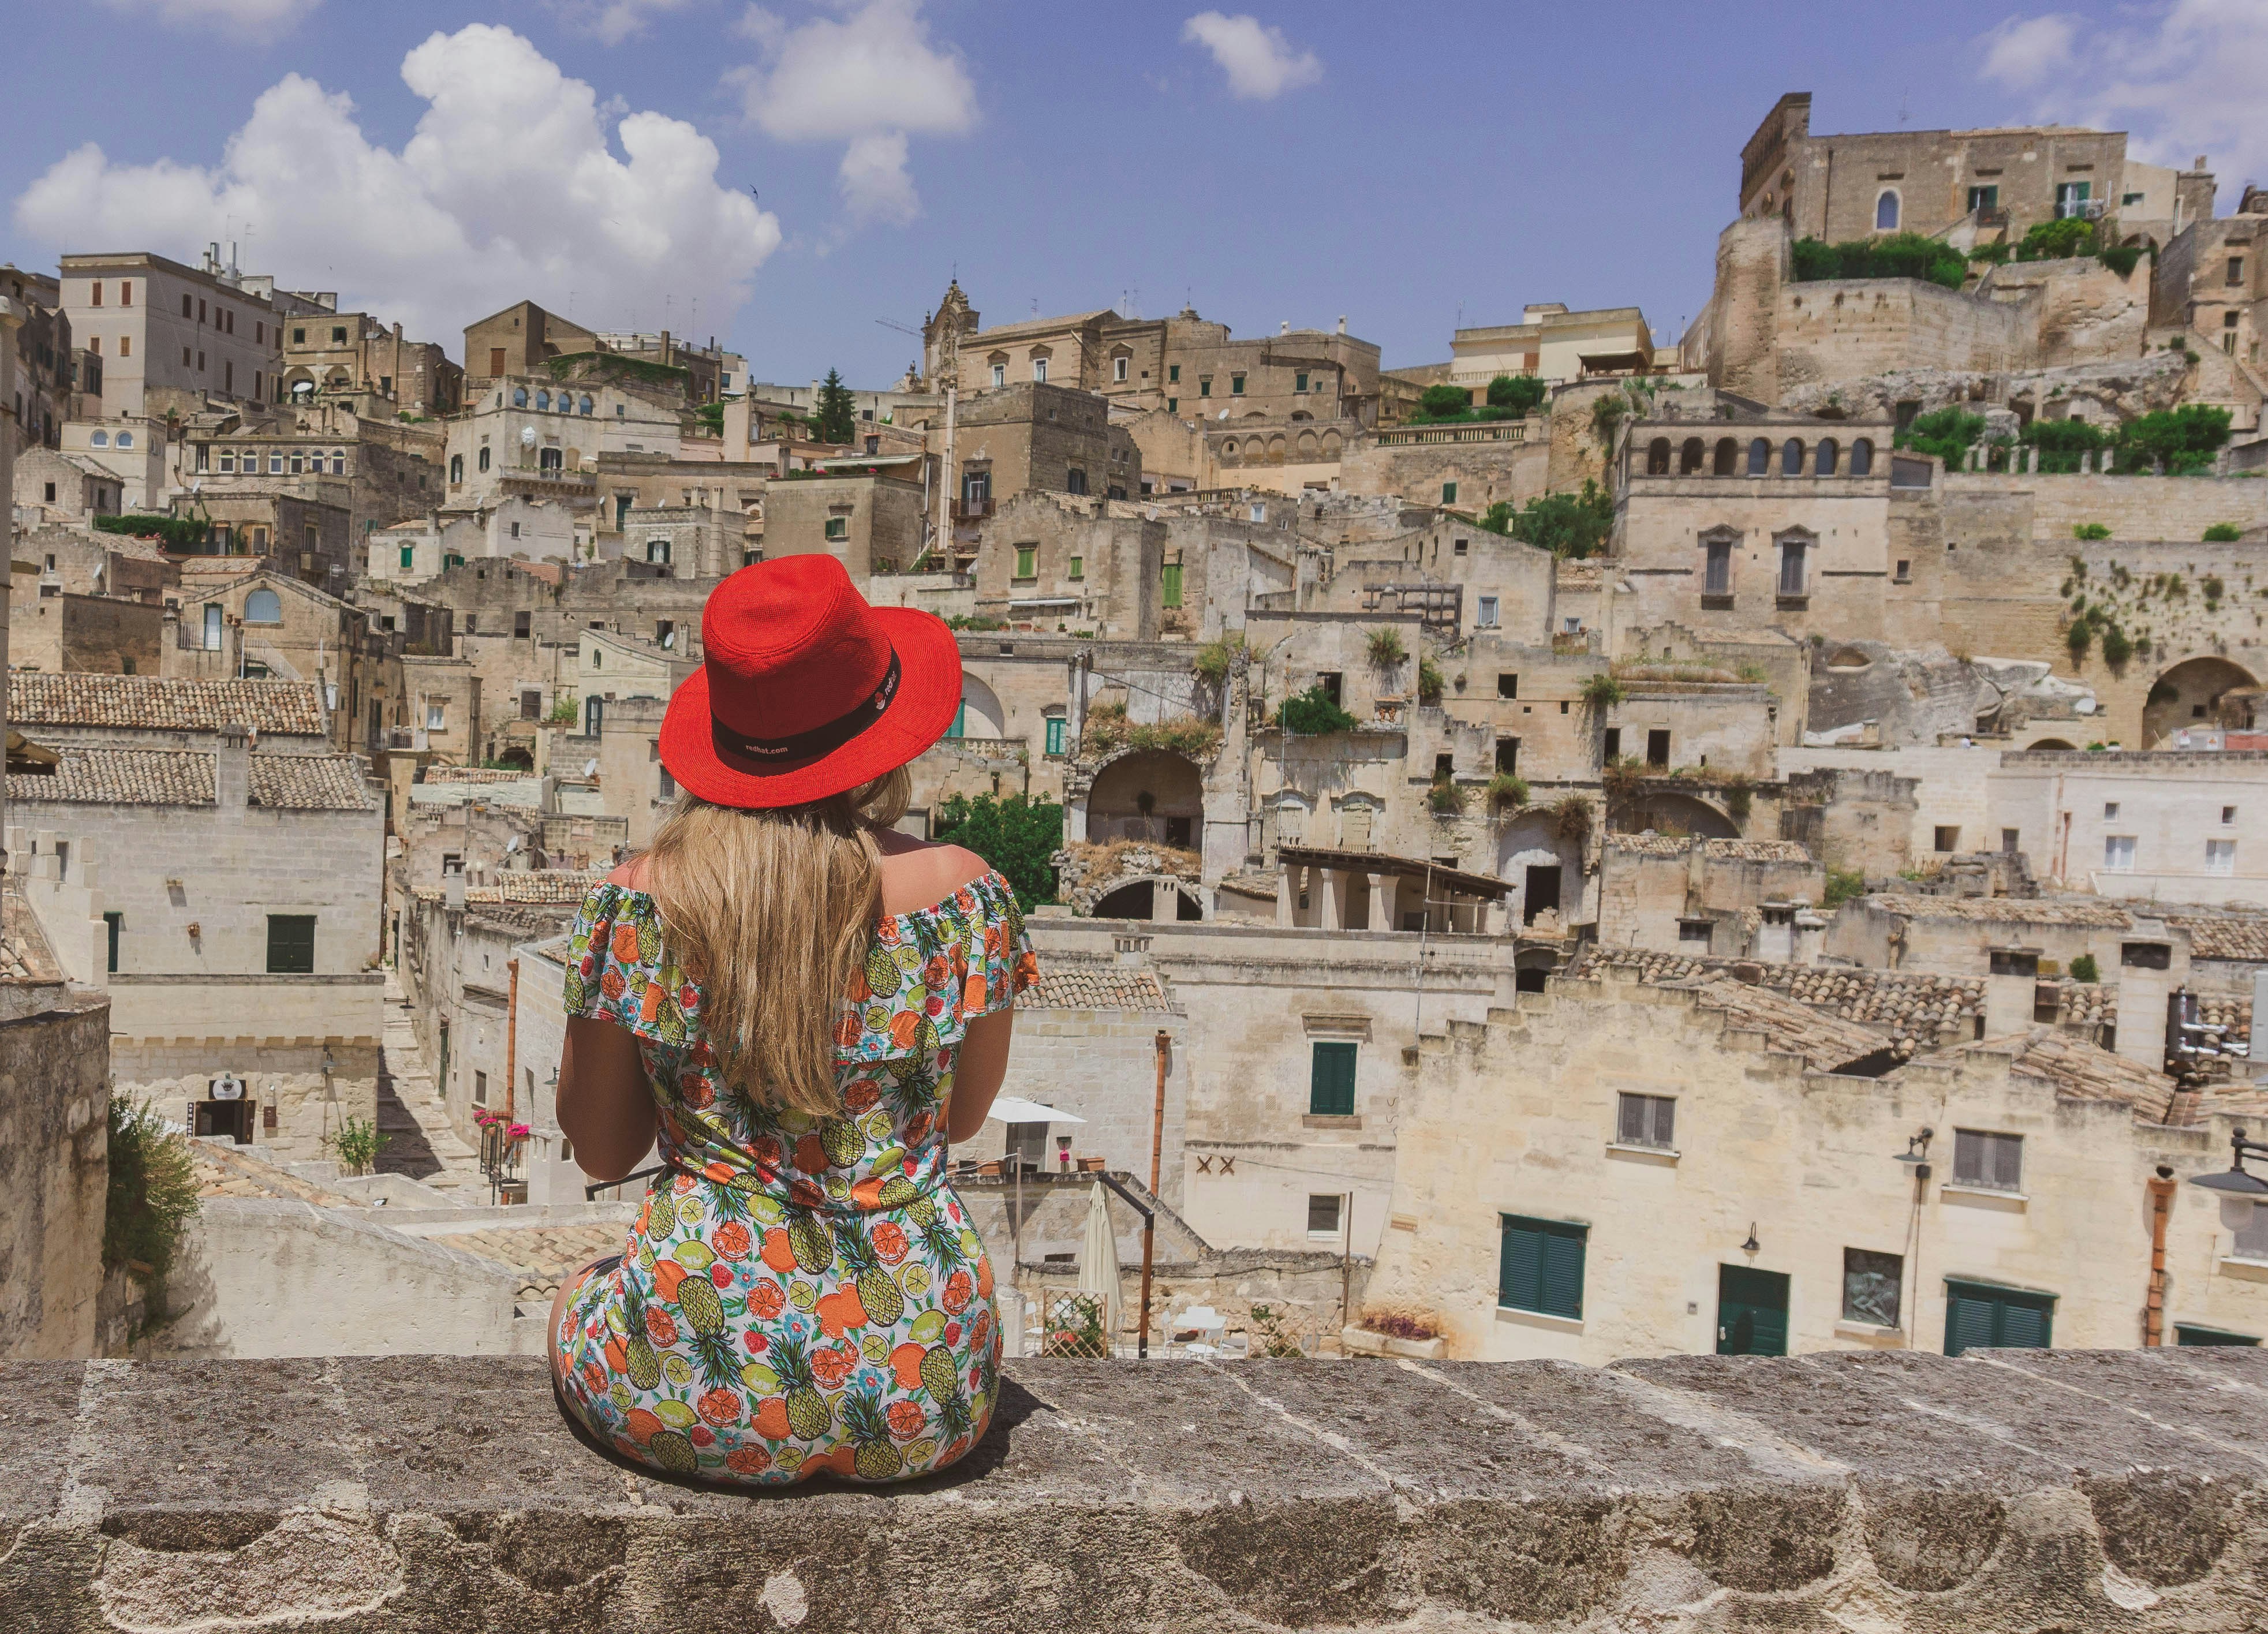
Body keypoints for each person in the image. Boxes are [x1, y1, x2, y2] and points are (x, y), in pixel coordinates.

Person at [549, 555, 1036, 1485]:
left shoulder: (639, 905)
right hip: (922, 1385)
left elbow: (602, 1153)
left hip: (691, 1376)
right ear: (883, 728)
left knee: (576, 1294)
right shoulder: (967, 895)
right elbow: (963, 1120)